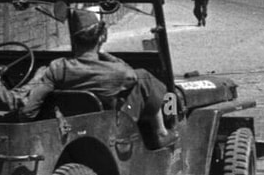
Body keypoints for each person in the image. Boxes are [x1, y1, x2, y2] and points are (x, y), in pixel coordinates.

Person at [19, 9, 169, 144]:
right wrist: (104, 54)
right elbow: (131, 75)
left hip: (69, 127)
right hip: (110, 130)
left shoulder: (57, 67)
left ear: (74, 40)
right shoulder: (118, 72)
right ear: (101, 38)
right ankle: (161, 131)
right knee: (143, 76)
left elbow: (29, 110)